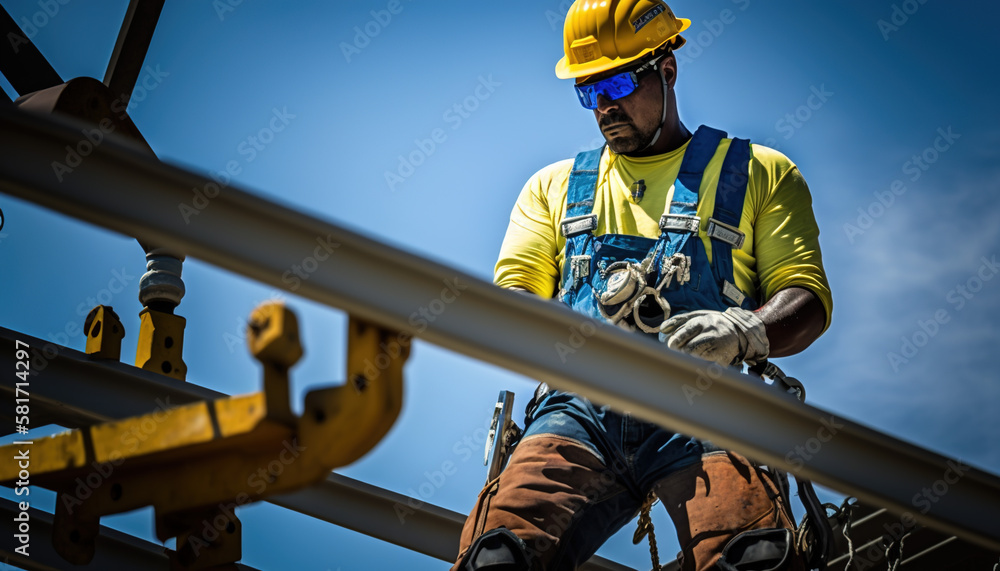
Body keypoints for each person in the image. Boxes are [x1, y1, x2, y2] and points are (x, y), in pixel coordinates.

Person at [451, 1, 833, 569]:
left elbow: (805, 297)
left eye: (618, 83)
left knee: (751, 557)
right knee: (501, 555)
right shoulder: (553, 188)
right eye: (589, 91)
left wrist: (744, 330)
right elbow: (513, 302)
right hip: (579, 407)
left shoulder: (758, 172)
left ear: (667, 70)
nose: (605, 106)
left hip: (703, 402)